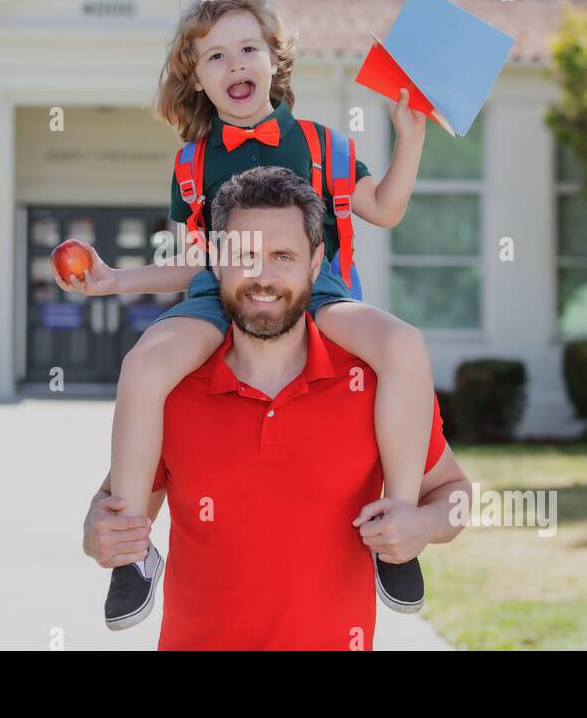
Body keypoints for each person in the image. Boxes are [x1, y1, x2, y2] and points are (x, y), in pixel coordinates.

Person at [56, 0, 440, 630]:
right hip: (215, 292)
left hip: (318, 292)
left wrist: (409, 139)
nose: (235, 63)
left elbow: (384, 208)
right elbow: (190, 265)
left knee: (404, 344)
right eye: (215, 56)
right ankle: (131, 553)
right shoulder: (190, 165)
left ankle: (396, 527)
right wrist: (116, 279)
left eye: (248, 49)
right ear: (197, 79)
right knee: (145, 364)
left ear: (273, 61)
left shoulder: (325, 144)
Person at [82, 166, 469, 649]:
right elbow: (113, 509)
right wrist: (97, 534)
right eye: (244, 255)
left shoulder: (374, 383)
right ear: (216, 263)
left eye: (283, 256)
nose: (263, 276)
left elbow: (454, 492)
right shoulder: (170, 388)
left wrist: (423, 524)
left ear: (315, 262)